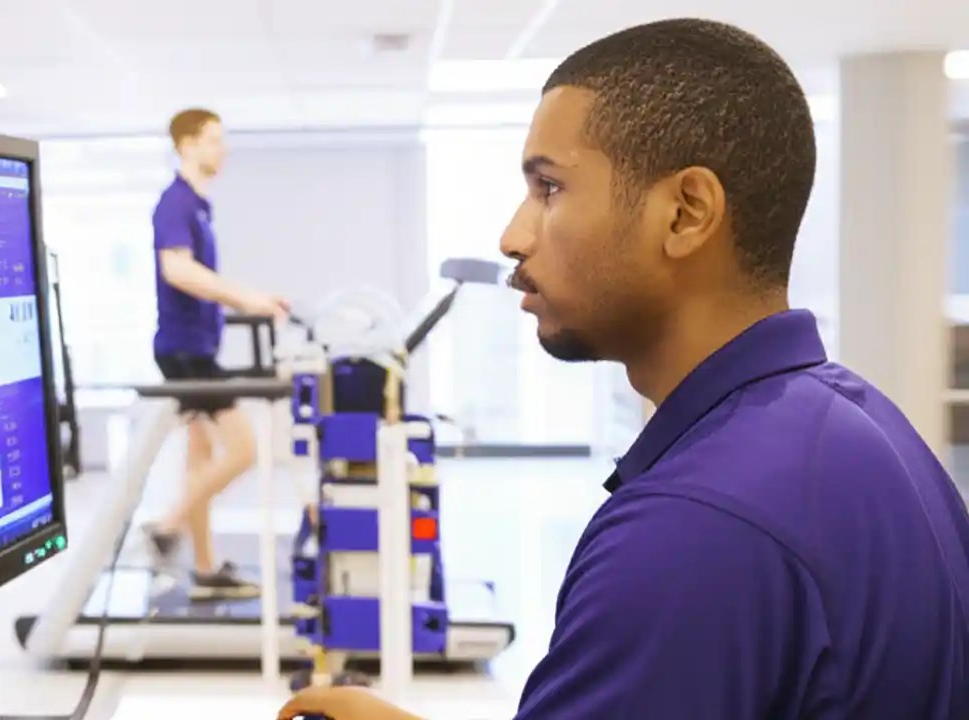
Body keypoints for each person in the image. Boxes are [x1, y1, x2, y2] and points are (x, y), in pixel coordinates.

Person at [279, 17, 969, 720]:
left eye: (549, 188)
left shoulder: (692, 526)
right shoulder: (866, 424)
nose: (513, 236)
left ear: (685, 213)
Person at [144, 107, 290, 601]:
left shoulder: (199, 205)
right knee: (245, 450)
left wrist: (244, 304)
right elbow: (178, 272)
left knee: (199, 461)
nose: (221, 149)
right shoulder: (175, 204)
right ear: (186, 144)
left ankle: (204, 571)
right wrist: (245, 297)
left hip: (197, 345)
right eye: (212, 140)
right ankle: (166, 525)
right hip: (187, 354)